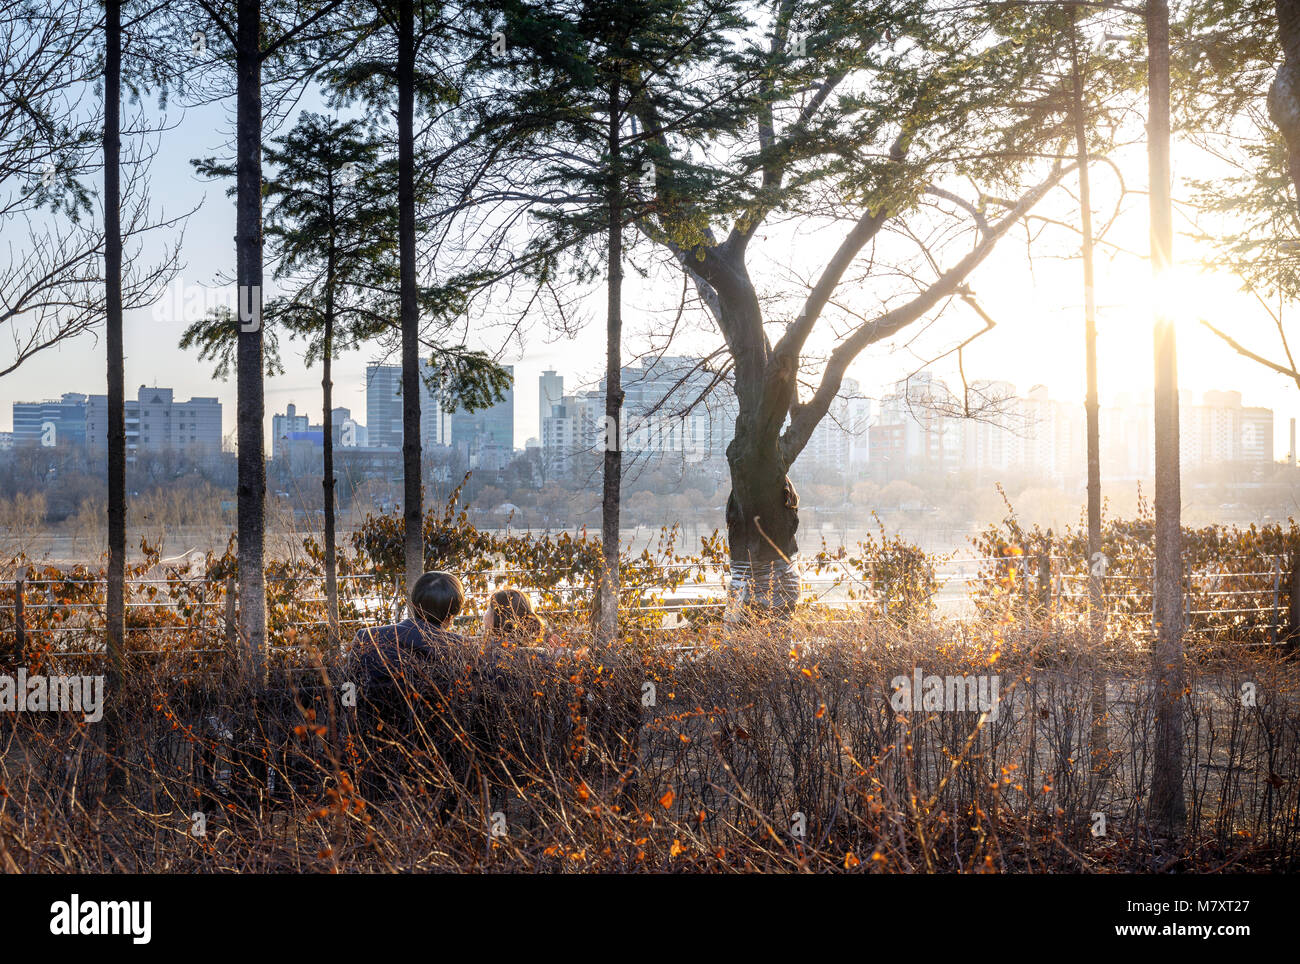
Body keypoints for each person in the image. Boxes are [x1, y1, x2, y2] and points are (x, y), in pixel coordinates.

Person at [348, 570, 467, 804]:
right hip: (437, 763)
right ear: (454, 612)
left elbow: (346, 689)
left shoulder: (367, 637)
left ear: (413, 603)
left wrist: (351, 726)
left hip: (373, 753)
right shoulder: (461, 649)